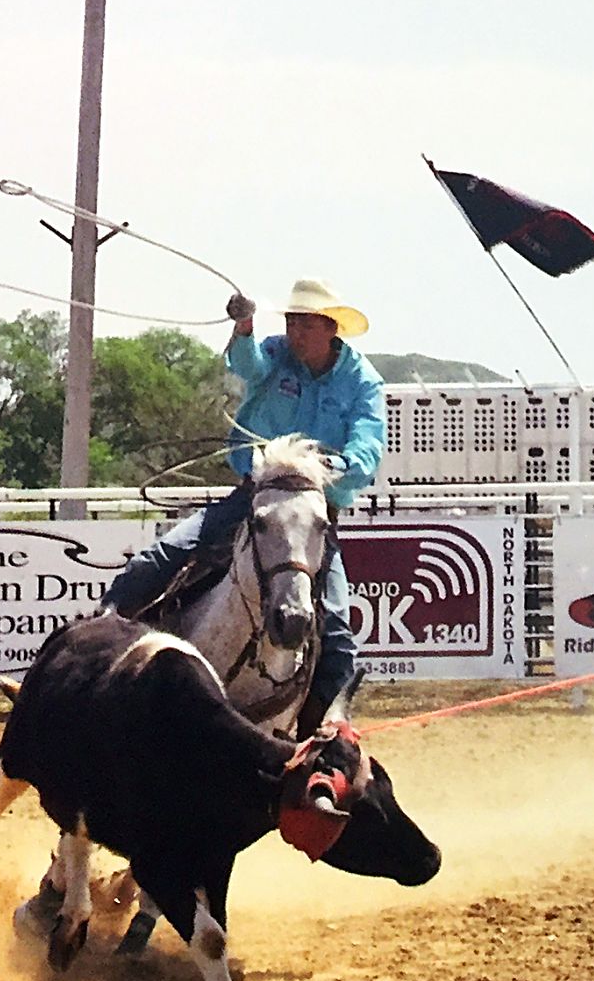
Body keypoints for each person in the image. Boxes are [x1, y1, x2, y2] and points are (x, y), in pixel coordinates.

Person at [104, 277, 386, 735]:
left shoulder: (362, 382)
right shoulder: (276, 353)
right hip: (254, 497)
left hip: (311, 515)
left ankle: (321, 740)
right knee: (154, 562)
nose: (296, 333)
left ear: (330, 328)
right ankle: (93, 652)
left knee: (336, 630)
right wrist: (244, 325)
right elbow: (246, 363)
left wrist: (324, 465)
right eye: (292, 322)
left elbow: (367, 450)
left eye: (306, 325)